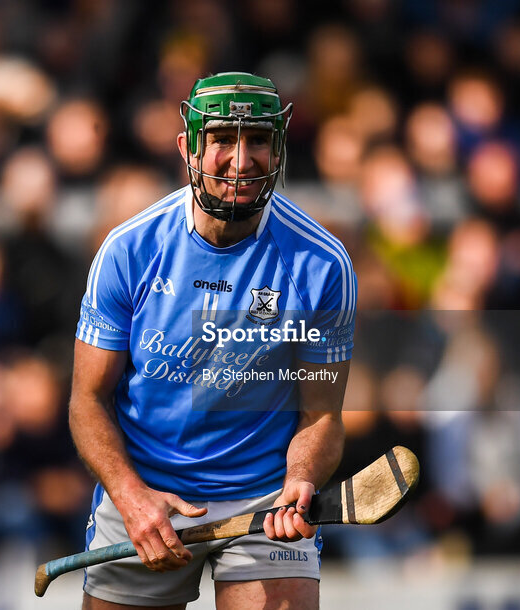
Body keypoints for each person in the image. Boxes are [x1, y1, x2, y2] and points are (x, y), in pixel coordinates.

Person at [70, 72, 357, 609]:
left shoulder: (322, 266)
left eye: (258, 141)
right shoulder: (127, 251)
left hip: (264, 503)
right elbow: (87, 401)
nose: (241, 160)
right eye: (223, 138)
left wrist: (300, 479)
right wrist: (132, 499)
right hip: (145, 490)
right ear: (187, 146)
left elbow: (321, 413)